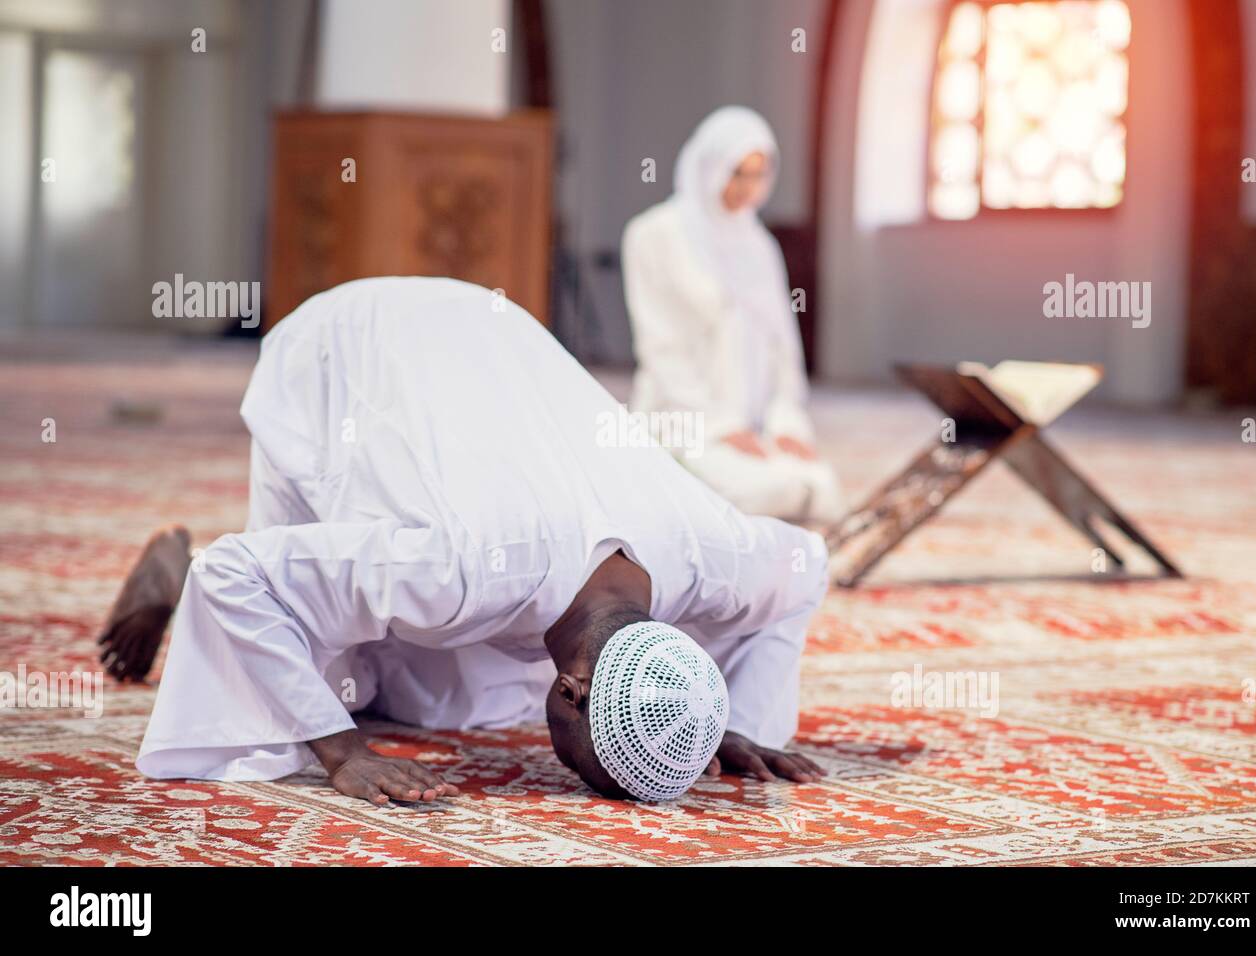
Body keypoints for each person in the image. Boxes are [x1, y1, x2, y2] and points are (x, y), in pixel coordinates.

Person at [101, 277, 828, 805]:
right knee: (308, 683)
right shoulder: (454, 569)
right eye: (581, 769)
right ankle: (180, 567)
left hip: (492, 329)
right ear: (570, 693)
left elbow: (807, 565)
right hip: (349, 340)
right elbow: (240, 574)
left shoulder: (715, 556)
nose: (564, 773)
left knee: (444, 699)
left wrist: (724, 721)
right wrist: (342, 753)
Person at [622, 106, 845, 524]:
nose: (749, 188)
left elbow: (783, 350)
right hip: (684, 421)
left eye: (759, 175)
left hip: (752, 429)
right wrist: (720, 425)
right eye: (738, 173)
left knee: (820, 486)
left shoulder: (759, 245)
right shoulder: (653, 235)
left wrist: (786, 426)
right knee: (768, 489)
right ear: (709, 166)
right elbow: (660, 347)